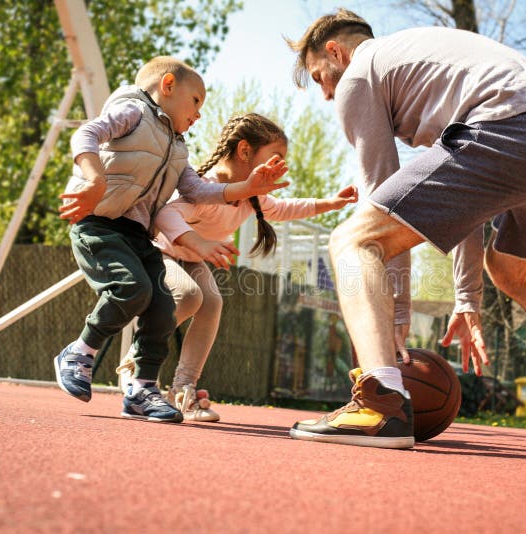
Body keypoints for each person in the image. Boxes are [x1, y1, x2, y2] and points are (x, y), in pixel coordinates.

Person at [285, 9, 526, 449]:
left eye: (321, 77)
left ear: (335, 52)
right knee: (510, 272)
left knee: (351, 239)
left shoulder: (358, 75)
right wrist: (466, 299)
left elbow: (379, 206)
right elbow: (463, 205)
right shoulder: (421, 60)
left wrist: (397, 316)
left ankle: (379, 401)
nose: (325, 94)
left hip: (513, 128)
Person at [54, 57, 288, 423]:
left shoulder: (178, 148)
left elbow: (196, 190)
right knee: (132, 290)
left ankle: (141, 389)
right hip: (97, 222)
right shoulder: (132, 111)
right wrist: (94, 179)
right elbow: (85, 134)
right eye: (195, 101)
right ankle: (79, 352)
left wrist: (246, 188)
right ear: (167, 86)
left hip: (136, 233)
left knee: (164, 304)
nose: (198, 114)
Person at [115, 112, 358, 421]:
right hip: (158, 253)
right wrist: (199, 243)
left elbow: (284, 208)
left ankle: (183, 389)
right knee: (189, 295)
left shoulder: (251, 198)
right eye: (276, 157)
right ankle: (137, 361)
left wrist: (330, 203)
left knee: (212, 302)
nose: (281, 166)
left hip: (190, 258)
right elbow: (165, 217)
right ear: (245, 152)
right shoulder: (208, 187)